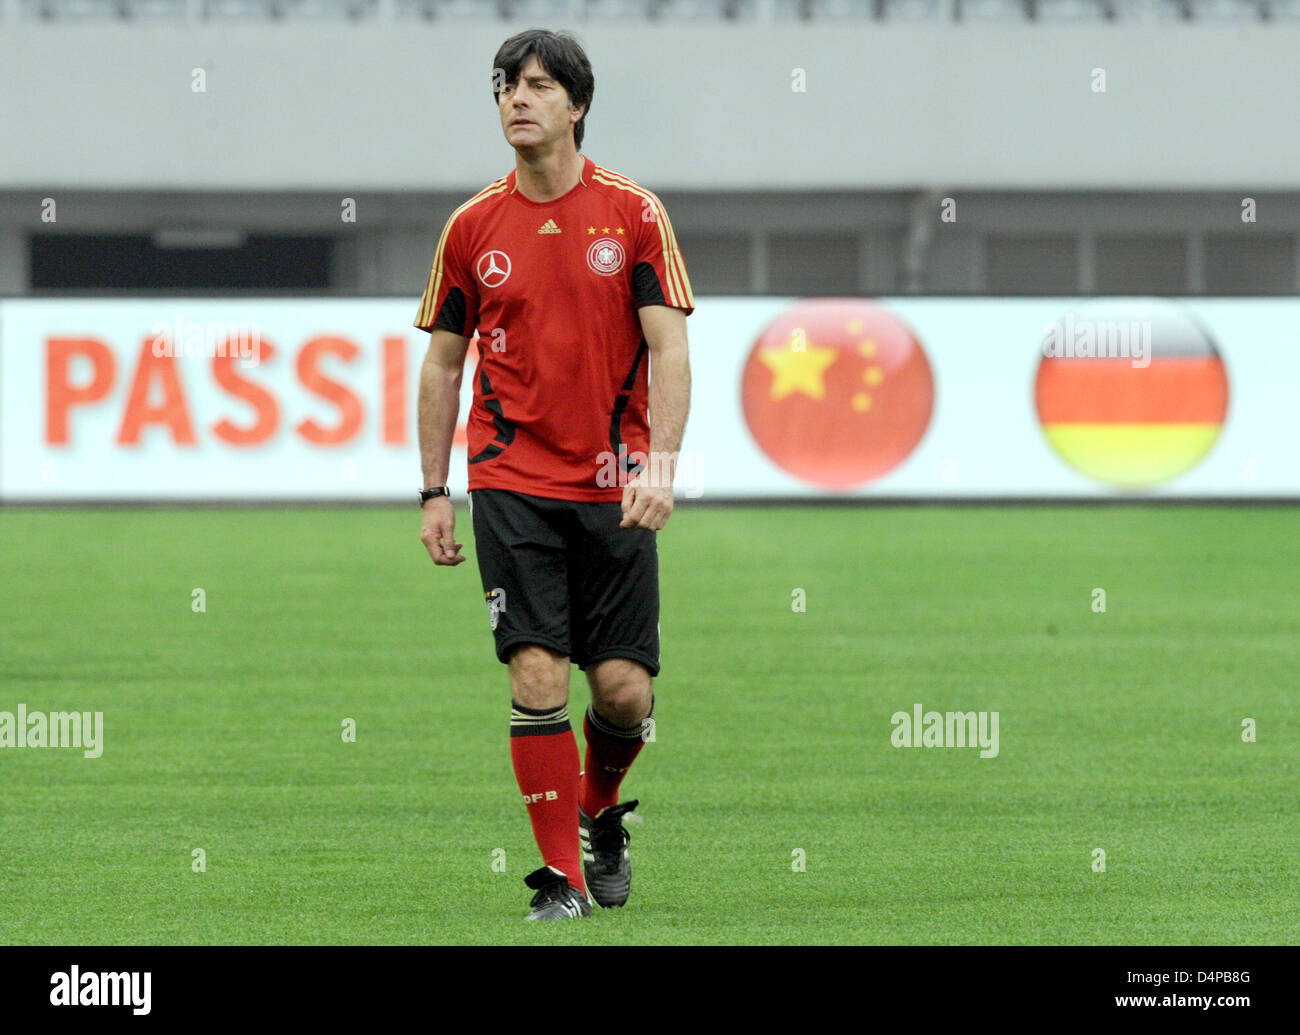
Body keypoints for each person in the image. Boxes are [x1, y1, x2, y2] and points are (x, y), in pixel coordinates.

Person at [413, 28, 694, 921]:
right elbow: (443, 367)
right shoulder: (471, 227)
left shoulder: (635, 213)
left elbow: (669, 345)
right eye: (504, 88)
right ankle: (556, 881)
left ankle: (600, 813)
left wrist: (661, 462)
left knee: (623, 691)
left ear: (576, 105)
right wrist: (433, 490)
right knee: (536, 675)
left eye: (536, 87)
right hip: (510, 480)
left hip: (614, 482)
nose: (516, 101)